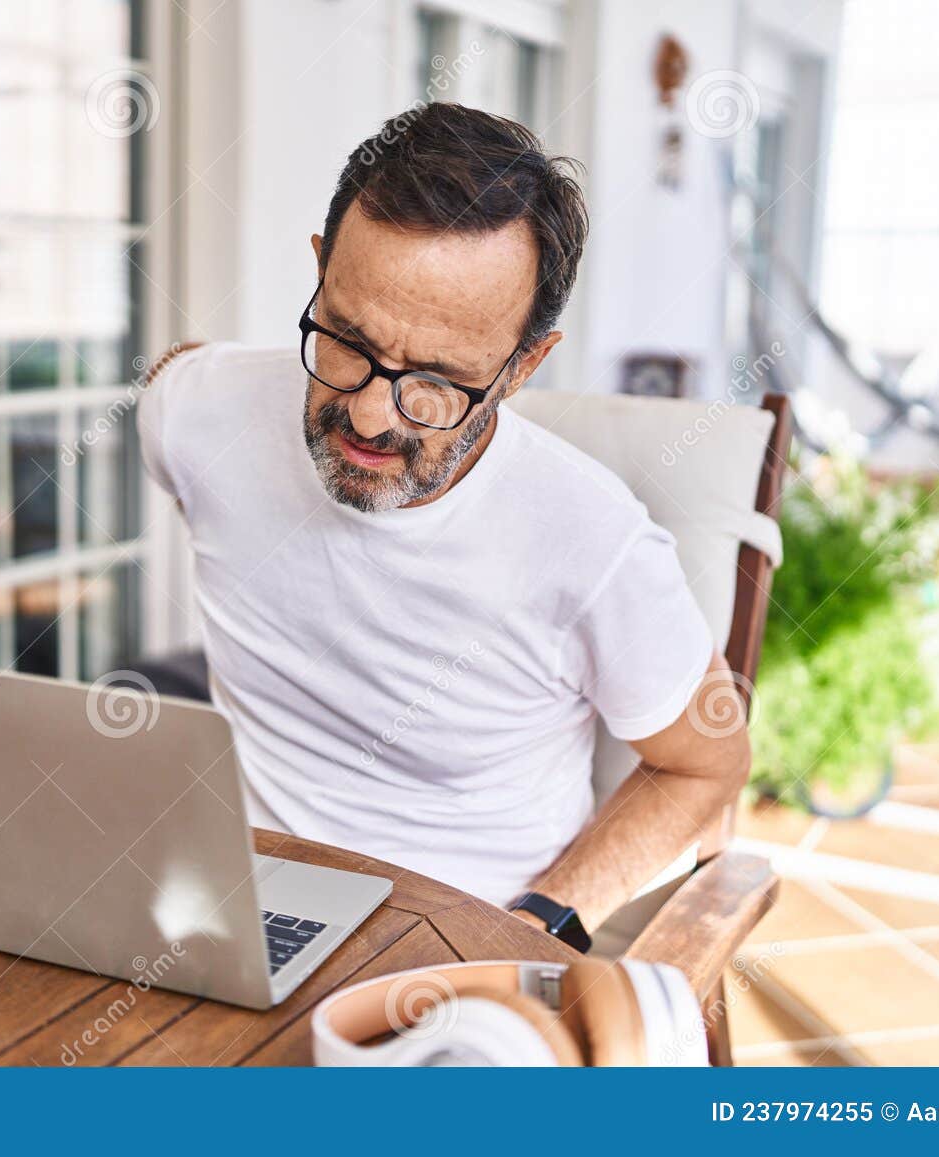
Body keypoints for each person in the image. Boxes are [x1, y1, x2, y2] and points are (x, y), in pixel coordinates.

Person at [138, 103, 750, 952]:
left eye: (437, 379)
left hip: (463, 953)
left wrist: (540, 925)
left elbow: (710, 762)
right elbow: (174, 383)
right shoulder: (200, 411)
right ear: (319, 272)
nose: (369, 412)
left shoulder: (594, 542)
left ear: (523, 366)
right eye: (347, 339)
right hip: (236, 916)